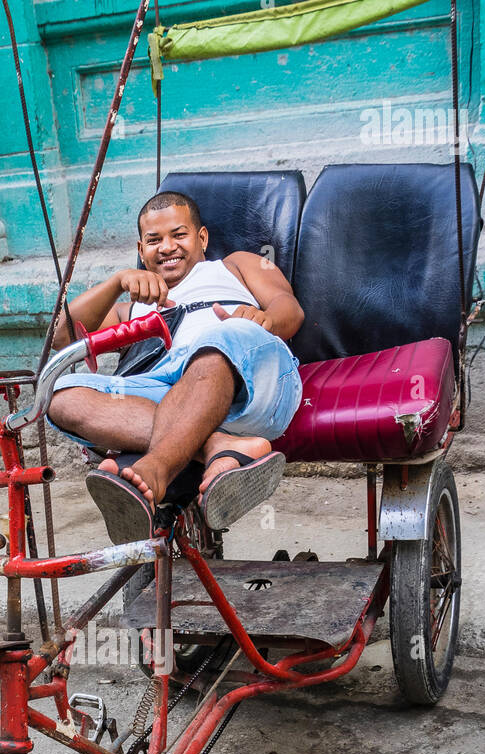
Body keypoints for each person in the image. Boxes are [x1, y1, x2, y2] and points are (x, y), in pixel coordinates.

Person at [47, 190, 304, 540]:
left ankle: (155, 468)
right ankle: (216, 446)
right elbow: (63, 338)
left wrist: (263, 320)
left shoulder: (235, 265)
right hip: (166, 393)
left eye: (178, 235)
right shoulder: (129, 309)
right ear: (141, 251)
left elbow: (289, 308)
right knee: (60, 394)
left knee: (216, 342)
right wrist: (116, 283)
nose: (167, 247)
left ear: (202, 238)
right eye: (154, 240)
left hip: (247, 377)